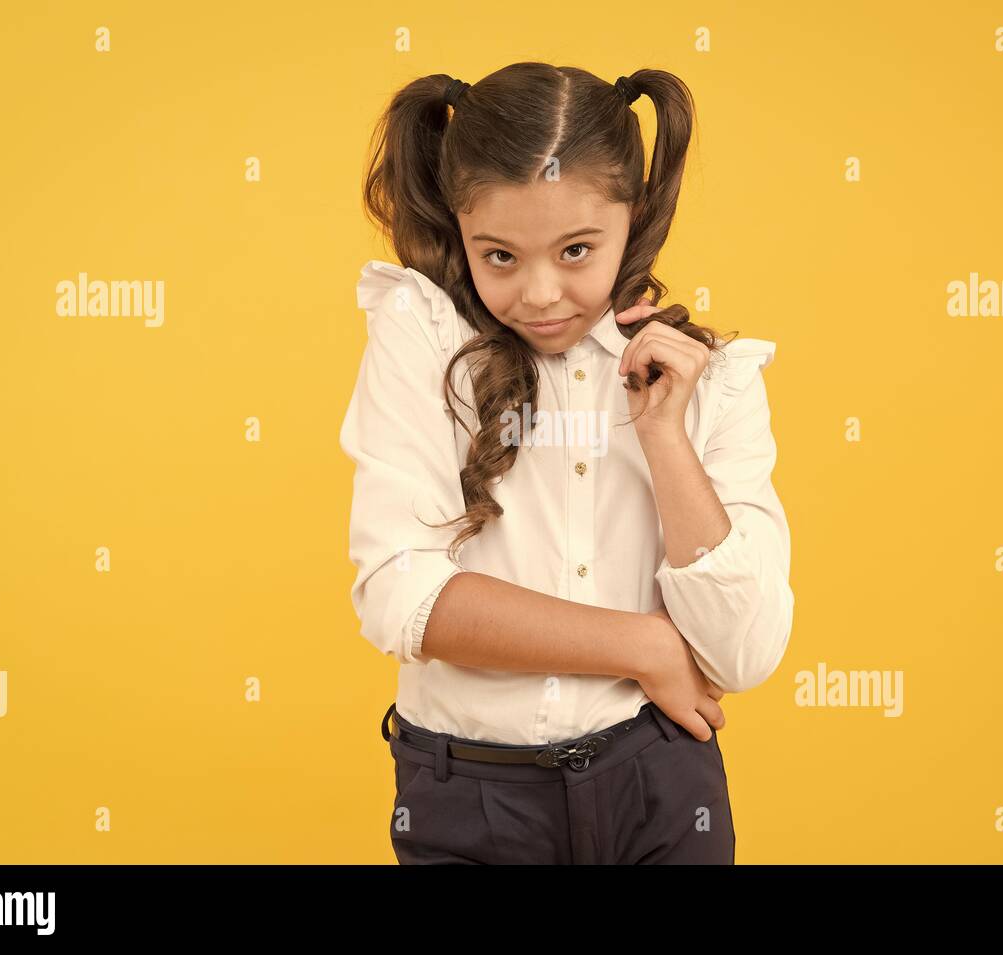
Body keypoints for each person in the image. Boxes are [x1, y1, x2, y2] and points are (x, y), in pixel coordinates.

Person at [338, 62, 794, 864]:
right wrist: (644, 645)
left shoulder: (711, 377)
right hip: (471, 803)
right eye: (501, 255)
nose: (541, 293)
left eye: (577, 249)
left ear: (636, 216)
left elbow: (740, 652)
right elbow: (400, 595)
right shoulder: (424, 334)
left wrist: (663, 433)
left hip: (661, 788)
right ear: (461, 229)